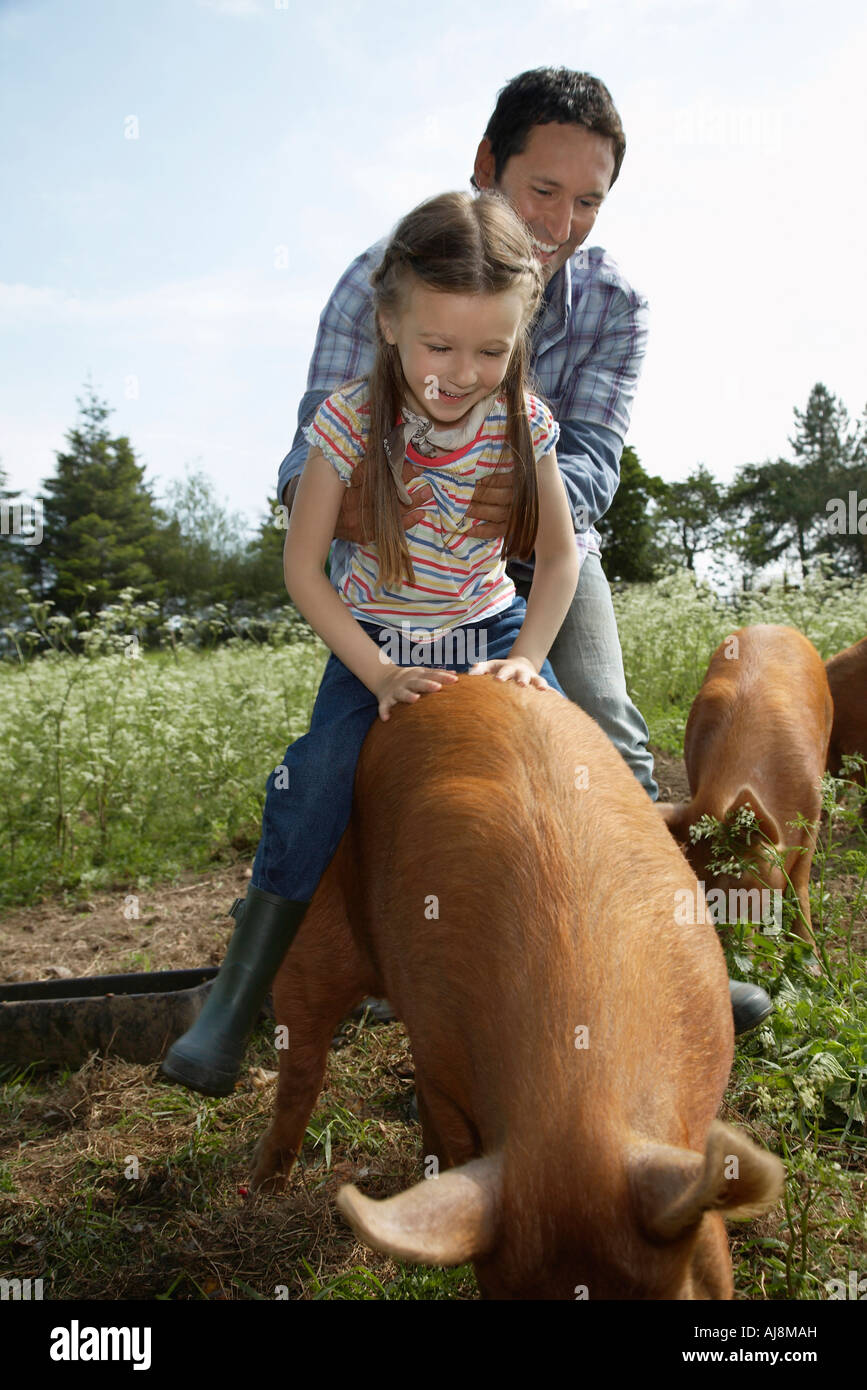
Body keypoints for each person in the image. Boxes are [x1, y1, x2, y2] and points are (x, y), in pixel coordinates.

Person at [162, 191, 581, 1097]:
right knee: (313, 781)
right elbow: (304, 570)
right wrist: (380, 672)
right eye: (438, 345)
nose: (460, 373)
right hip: (377, 637)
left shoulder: (525, 424)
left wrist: (524, 656)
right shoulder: (348, 423)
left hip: (491, 625)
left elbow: (557, 561)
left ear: (518, 342)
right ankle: (235, 1001)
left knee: (581, 767)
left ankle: (667, 943)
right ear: (388, 323)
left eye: (489, 350)